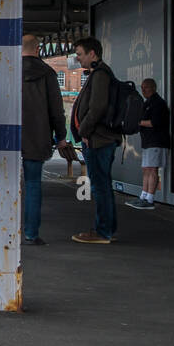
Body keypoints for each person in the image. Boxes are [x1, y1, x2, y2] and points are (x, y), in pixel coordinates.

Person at [69, 37, 121, 243]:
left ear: (92, 54)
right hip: (99, 139)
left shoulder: (100, 75)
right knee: (103, 185)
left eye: (80, 54)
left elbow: (97, 107)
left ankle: (103, 231)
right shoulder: (100, 73)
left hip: (97, 140)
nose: (78, 59)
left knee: (100, 186)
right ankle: (108, 228)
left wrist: (85, 131)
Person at [21, 34, 67, 245]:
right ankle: (31, 233)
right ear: (38, 49)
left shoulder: (8, 71)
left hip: (7, 138)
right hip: (37, 137)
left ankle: (2, 231)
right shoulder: (48, 73)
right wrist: (61, 136)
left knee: (3, 184)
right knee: (32, 185)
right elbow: (57, 109)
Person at [126, 78, 170, 210]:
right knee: (146, 169)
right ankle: (143, 196)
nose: (143, 90)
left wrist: (138, 122)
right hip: (147, 141)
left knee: (152, 169)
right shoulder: (147, 103)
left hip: (157, 141)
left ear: (153, 88)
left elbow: (154, 122)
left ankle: (150, 198)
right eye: (142, 87)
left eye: (146, 87)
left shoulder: (158, 103)